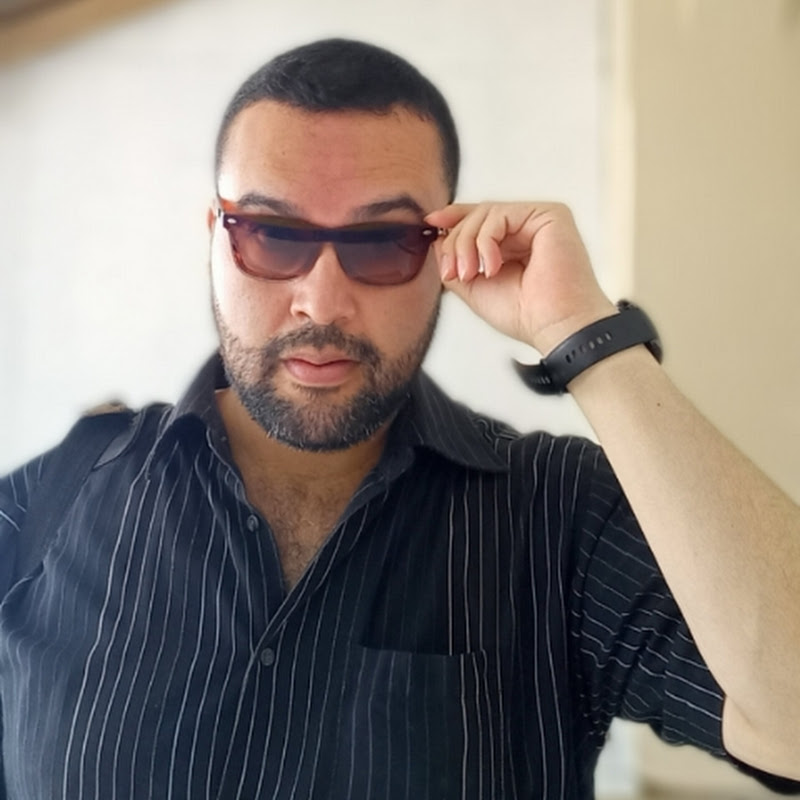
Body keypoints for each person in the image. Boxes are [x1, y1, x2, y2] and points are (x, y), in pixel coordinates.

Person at [0, 38, 798, 800]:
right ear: (216, 238)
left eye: (381, 242)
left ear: (444, 254)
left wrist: (584, 335)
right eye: (272, 234)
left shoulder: (560, 515)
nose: (321, 302)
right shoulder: (50, 501)